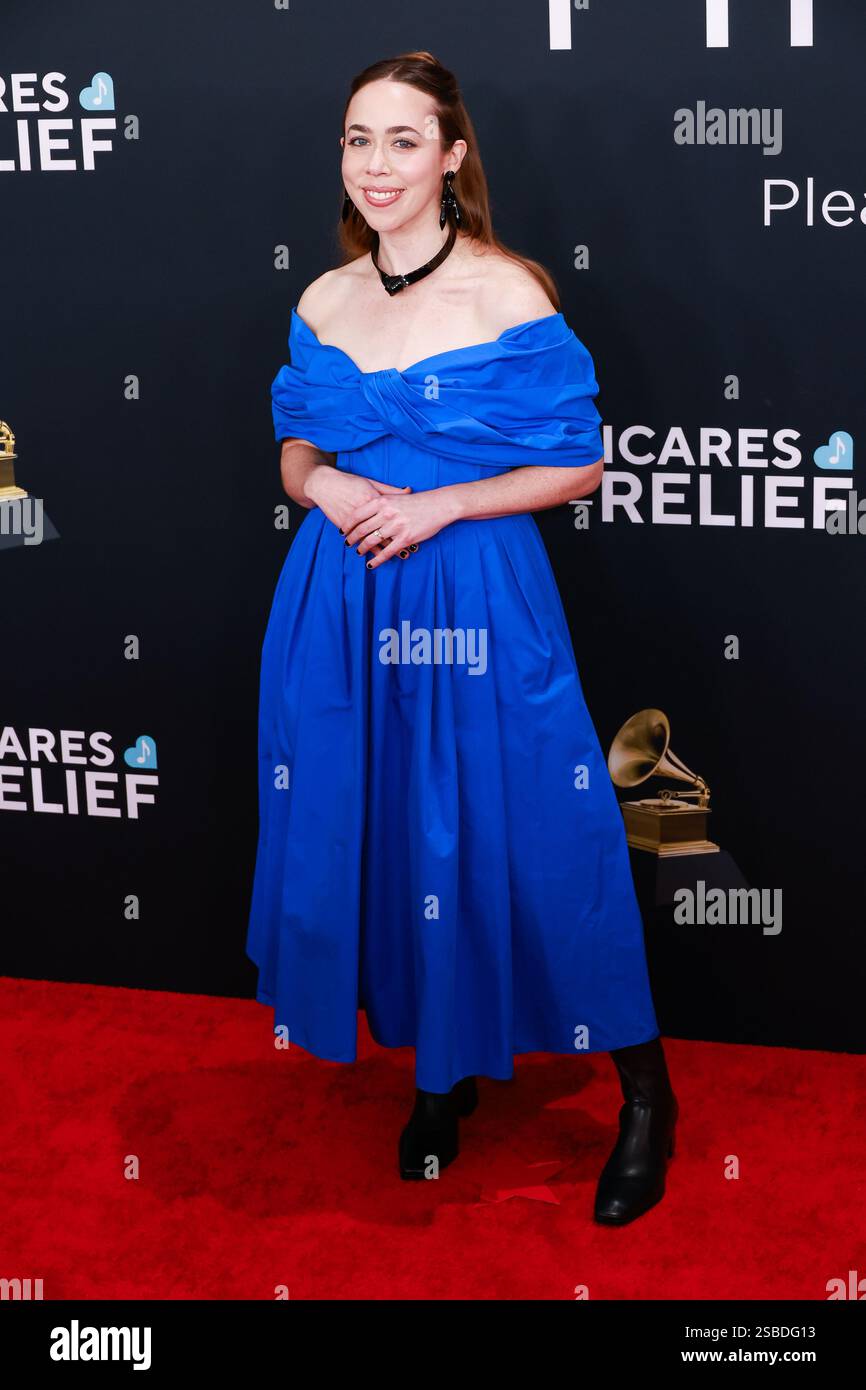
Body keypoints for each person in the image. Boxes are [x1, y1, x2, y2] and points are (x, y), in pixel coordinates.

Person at [246, 50, 677, 1224]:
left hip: (477, 598)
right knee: (395, 837)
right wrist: (323, 491)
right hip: (341, 603)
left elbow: (580, 463)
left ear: (451, 155)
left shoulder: (505, 292)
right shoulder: (322, 301)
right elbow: (295, 451)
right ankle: (439, 1080)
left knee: (543, 830)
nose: (375, 165)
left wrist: (440, 502)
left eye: (401, 140)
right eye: (356, 139)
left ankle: (644, 1095)